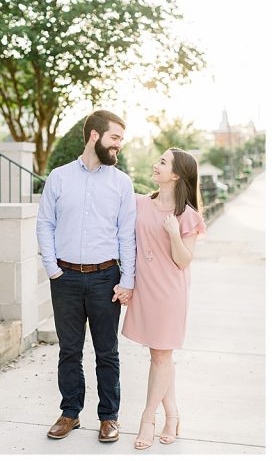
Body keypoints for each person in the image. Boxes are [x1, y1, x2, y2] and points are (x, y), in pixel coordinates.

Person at [36, 109, 137, 443]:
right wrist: (52, 269)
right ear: (95, 136)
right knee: (69, 350)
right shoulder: (59, 177)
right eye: (115, 138)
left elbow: (127, 236)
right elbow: (45, 223)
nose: (118, 146)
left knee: (107, 352)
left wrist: (127, 280)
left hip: (106, 277)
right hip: (64, 277)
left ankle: (109, 417)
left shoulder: (122, 183)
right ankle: (70, 413)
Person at [120, 148, 205, 449]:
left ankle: (147, 419)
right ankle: (173, 414)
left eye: (163, 162)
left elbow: (184, 261)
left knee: (160, 356)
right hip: (145, 289)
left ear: (177, 174)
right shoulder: (140, 202)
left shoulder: (188, 215)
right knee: (160, 356)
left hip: (170, 294)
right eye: (158, 160)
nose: (156, 165)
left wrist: (172, 233)